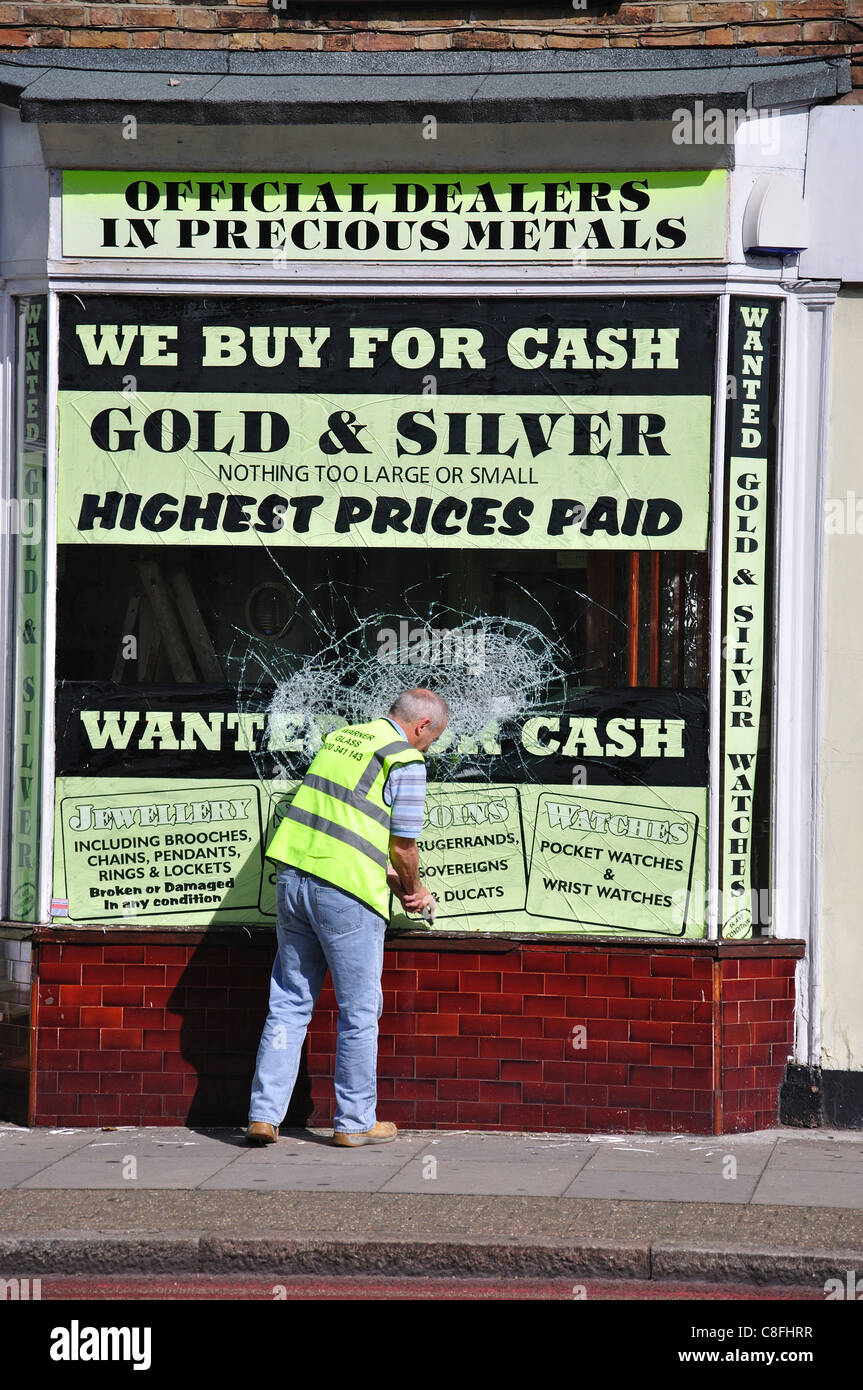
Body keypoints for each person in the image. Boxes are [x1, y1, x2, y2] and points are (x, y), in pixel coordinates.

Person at [245, 687, 448, 1148]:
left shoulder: (343, 740)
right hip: (348, 895)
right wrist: (415, 892)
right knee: (359, 1012)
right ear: (421, 727)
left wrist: (400, 885)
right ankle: (354, 1122)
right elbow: (401, 846)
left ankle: (263, 1115)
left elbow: (352, 831)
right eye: (432, 739)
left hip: (294, 880)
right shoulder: (406, 760)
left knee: (290, 1002)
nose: (428, 748)